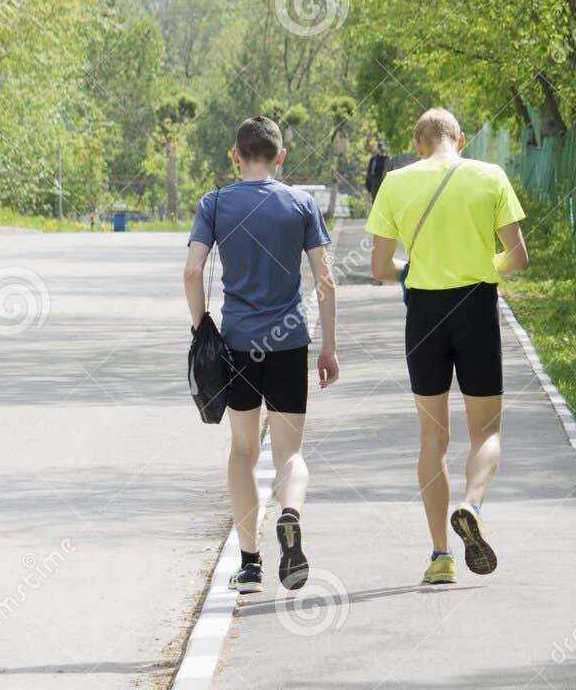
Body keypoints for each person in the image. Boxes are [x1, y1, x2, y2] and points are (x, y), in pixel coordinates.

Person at [367, 108, 527, 585]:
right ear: (461, 139)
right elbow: (517, 257)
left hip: (424, 316)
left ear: (418, 144)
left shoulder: (395, 183)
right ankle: (471, 505)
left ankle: (440, 556)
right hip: (476, 308)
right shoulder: (490, 176)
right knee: (487, 434)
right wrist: (478, 260)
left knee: (433, 439)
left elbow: (378, 267)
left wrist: (415, 270)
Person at [184, 116, 340, 595]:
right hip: (290, 342)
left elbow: (192, 273)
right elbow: (327, 281)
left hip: (238, 343)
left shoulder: (215, 203)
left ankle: (250, 564)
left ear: (235, 155)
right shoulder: (301, 203)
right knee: (290, 453)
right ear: (280, 157)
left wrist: (200, 330)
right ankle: (290, 513)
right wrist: (329, 347)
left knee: (243, 452)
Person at [364, 139, 389, 212]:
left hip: (384, 184)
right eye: (380, 149)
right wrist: (368, 186)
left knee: (384, 204)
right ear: (378, 149)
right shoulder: (373, 159)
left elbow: (390, 173)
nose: (381, 150)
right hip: (374, 184)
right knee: (375, 204)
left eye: (382, 149)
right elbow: (369, 174)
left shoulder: (388, 159)